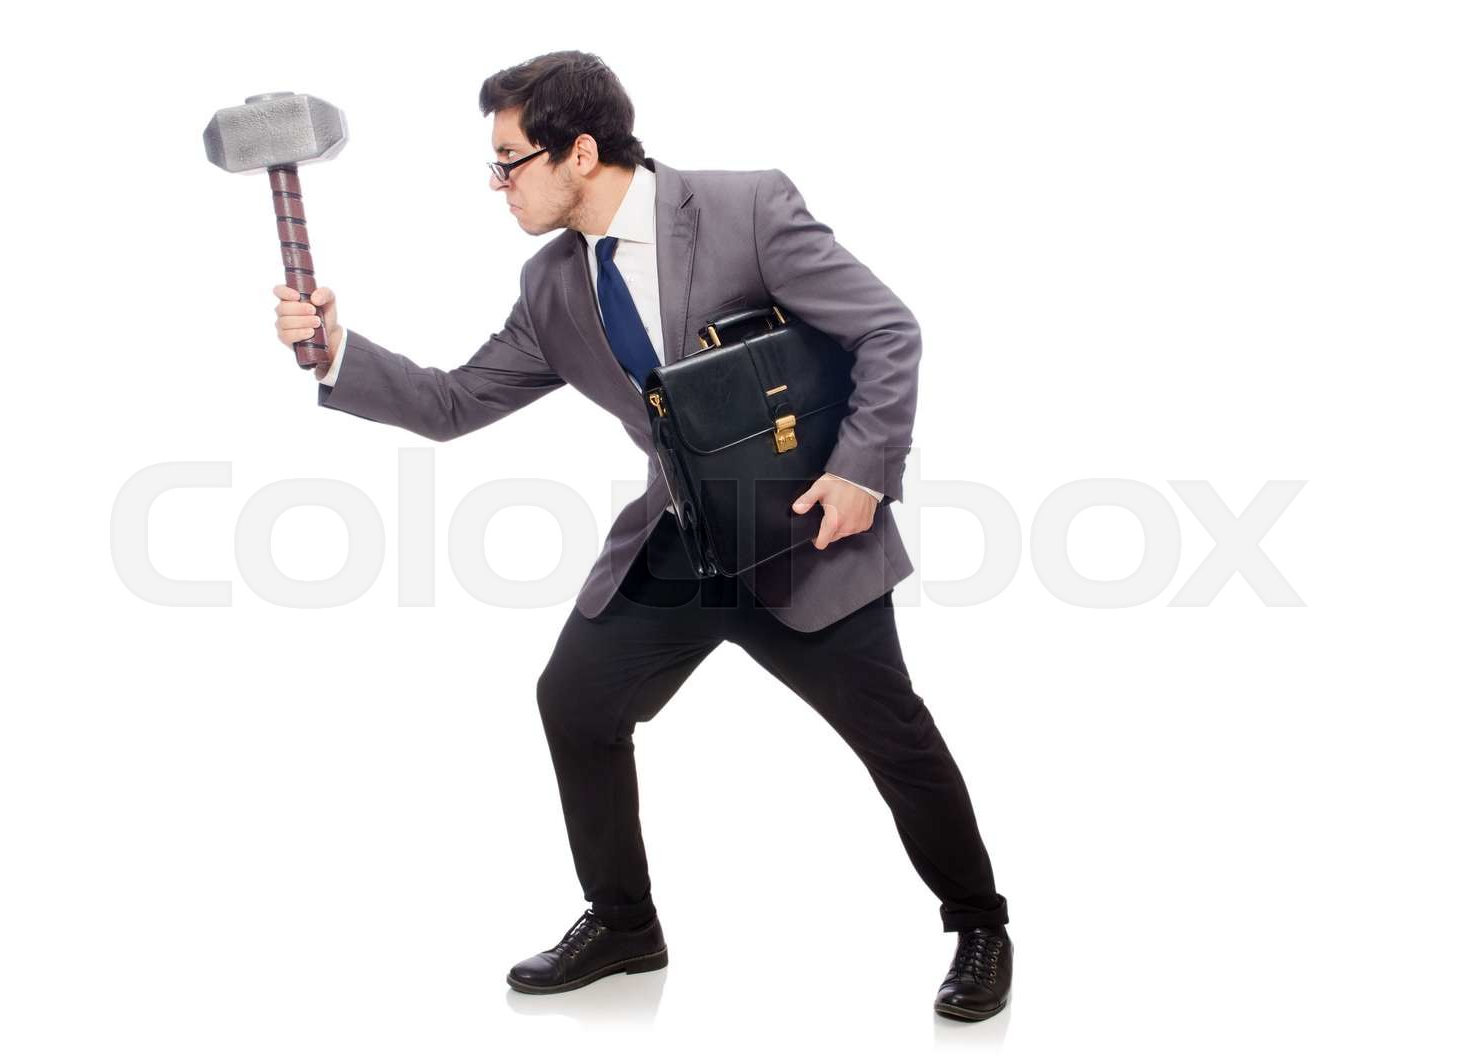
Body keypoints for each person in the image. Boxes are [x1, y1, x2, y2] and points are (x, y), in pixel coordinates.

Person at [271, 50, 1012, 1021]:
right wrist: (333, 349)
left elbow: (884, 332)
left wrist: (861, 474)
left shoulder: (746, 210)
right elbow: (452, 402)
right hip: (685, 536)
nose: (498, 185)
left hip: (804, 526)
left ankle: (978, 923)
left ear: (579, 152)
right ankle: (623, 923)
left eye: (509, 160)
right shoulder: (552, 287)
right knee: (573, 699)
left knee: (893, 736)